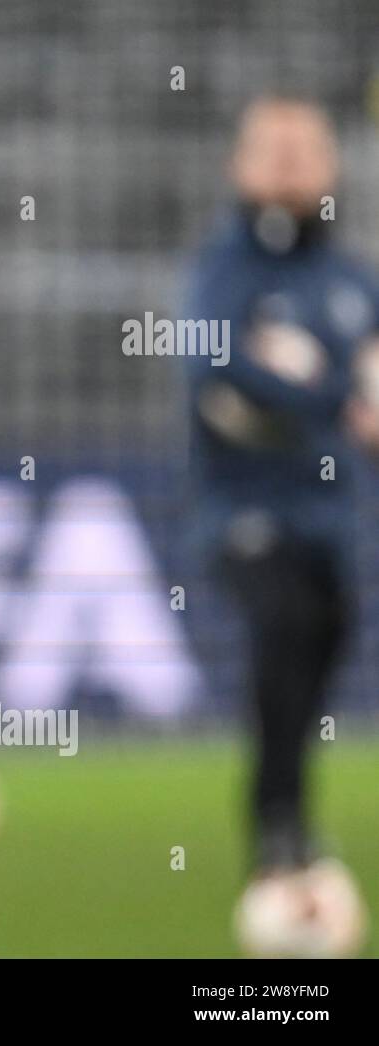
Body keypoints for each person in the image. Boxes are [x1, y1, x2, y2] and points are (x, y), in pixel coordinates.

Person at [182, 95, 372, 950]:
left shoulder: (351, 281)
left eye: (307, 147)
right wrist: (334, 398)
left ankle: (290, 827)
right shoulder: (225, 270)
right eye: (275, 146)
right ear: (240, 163)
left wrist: (318, 392)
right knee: (282, 628)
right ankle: (278, 836)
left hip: (332, 517)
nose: (292, 161)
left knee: (324, 639)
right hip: (247, 510)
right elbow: (220, 375)